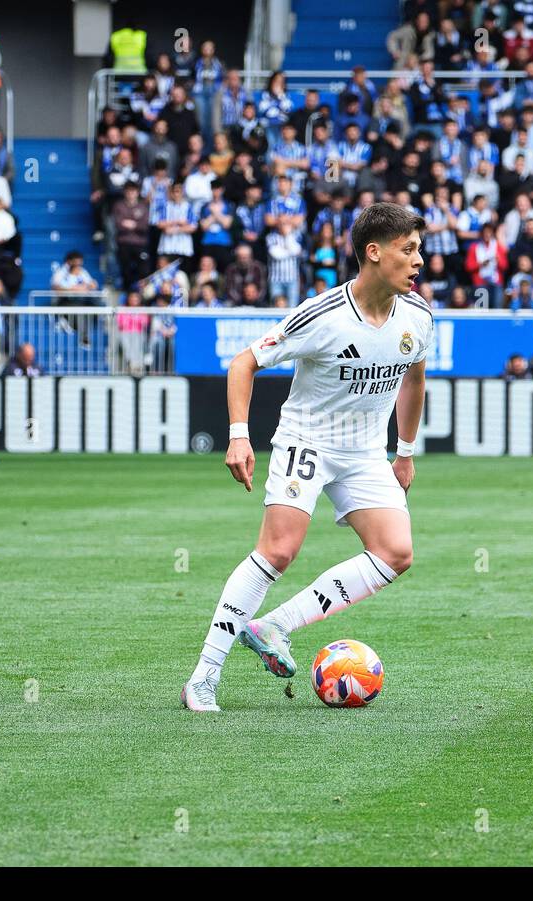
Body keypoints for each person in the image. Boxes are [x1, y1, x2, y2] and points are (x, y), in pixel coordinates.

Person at [181, 203, 430, 712]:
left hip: (365, 451)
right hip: (307, 440)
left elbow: (414, 379)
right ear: (373, 253)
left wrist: (404, 452)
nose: (419, 260)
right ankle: (203, 677)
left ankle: (276, 624)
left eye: (419, 249)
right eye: (409, 250)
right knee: (278, 552)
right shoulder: (324, 315)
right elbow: (243, 363)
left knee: (396, 552)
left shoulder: (419, 315)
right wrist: (238, 436)